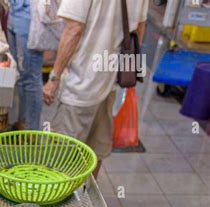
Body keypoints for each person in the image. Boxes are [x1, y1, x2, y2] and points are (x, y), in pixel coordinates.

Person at [43, 0, 148, 175]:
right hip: (109, 83)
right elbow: (138, 29)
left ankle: (63, 201)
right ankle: (88, 199)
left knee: (60, 159)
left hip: (80, 85)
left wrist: (54, 77)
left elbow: (74, 29)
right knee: (95, 152)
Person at [7, 0, 44, 130]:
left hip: (30, 16)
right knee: (20, 75)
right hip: (14, 11)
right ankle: (22, 123)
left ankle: (31, 132)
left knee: (31, 77)